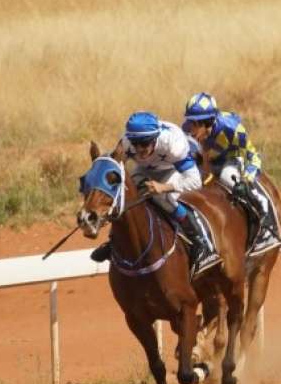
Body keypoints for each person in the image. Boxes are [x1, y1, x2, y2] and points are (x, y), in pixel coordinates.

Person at [89, 111, 222, 278]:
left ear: (155, 138)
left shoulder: (172, 144)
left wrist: (164, 187)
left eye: (144, 144)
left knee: (165, 198)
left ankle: (201, 244)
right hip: (147, 169)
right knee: (127, 195)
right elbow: (113, 167)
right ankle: (113, 242)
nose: (139, 149)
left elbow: (195, 181)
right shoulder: (127, 143)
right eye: (136, 143)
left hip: (173, 168)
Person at [181, 92, 281, 257]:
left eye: (194, 124)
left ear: (206, 122)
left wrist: (246, 179)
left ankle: (267, 223)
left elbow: (251, 156)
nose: (189, 128)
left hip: (235, 158)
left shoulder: (231, 128)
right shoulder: (186, 130)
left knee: (228, 177)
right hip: (209, 160)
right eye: (189, 122)